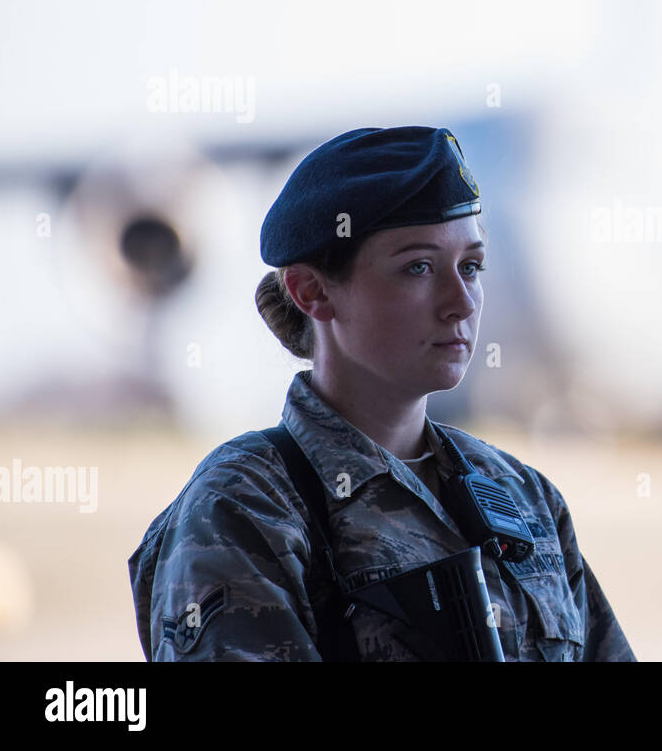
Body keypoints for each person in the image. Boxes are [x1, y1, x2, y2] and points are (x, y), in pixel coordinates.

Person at [127, 126, 635, 661]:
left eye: (471, 267)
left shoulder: (523, 498)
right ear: (312, 291)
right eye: (418, 267)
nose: (460, 302)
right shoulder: (247, 506)